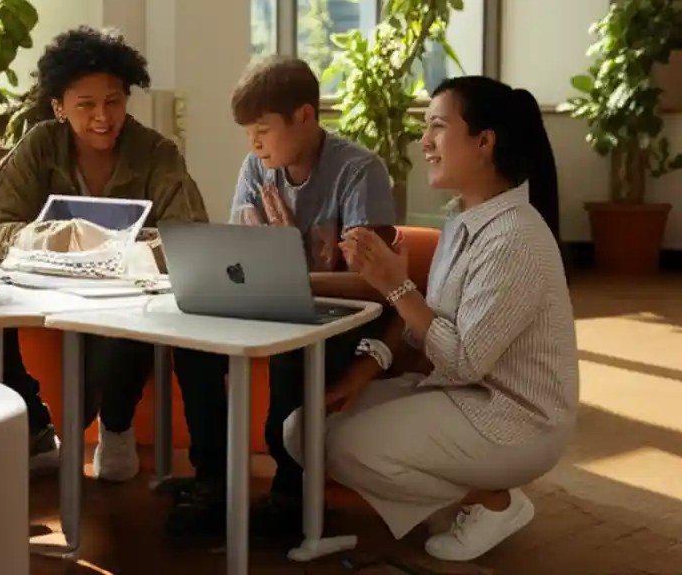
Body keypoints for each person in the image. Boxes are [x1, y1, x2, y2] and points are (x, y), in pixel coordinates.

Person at [284, 76, 577, 562]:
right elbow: (426, 323)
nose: (424, 142)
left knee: (349, 447)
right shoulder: (463, 220)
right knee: (302, 429)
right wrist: (363, 372)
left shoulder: (515, 238)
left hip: (511, 417)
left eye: (437, 127)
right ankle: (453, 501)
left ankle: (492, 501)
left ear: (484, 142)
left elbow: (462, 361)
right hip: (454, 392)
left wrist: (395, 286)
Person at [166, 55, 403, 546]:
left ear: (305, 116)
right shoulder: (257, 168)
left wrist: (293, 276)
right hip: (276, 304)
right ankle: (215, 483)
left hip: (347, 317)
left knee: (295, 355)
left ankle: (293, 498)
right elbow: (241, 260)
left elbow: (374, 285)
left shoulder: (359, 171)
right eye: (247, 133)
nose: (253, 144)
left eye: (263, 130)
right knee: (193, 345)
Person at [0, 25, 209, 477]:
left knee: (126, 328)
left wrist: (108, 246)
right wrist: (47, 238)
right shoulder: (39, 147)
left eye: (113, 101)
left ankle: (115, 426)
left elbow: (191, 237)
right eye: (85, 105)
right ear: (58, 106)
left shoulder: (156, 152)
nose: (103, 116)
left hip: (125, 300)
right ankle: (38, 428)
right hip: (42, 293)